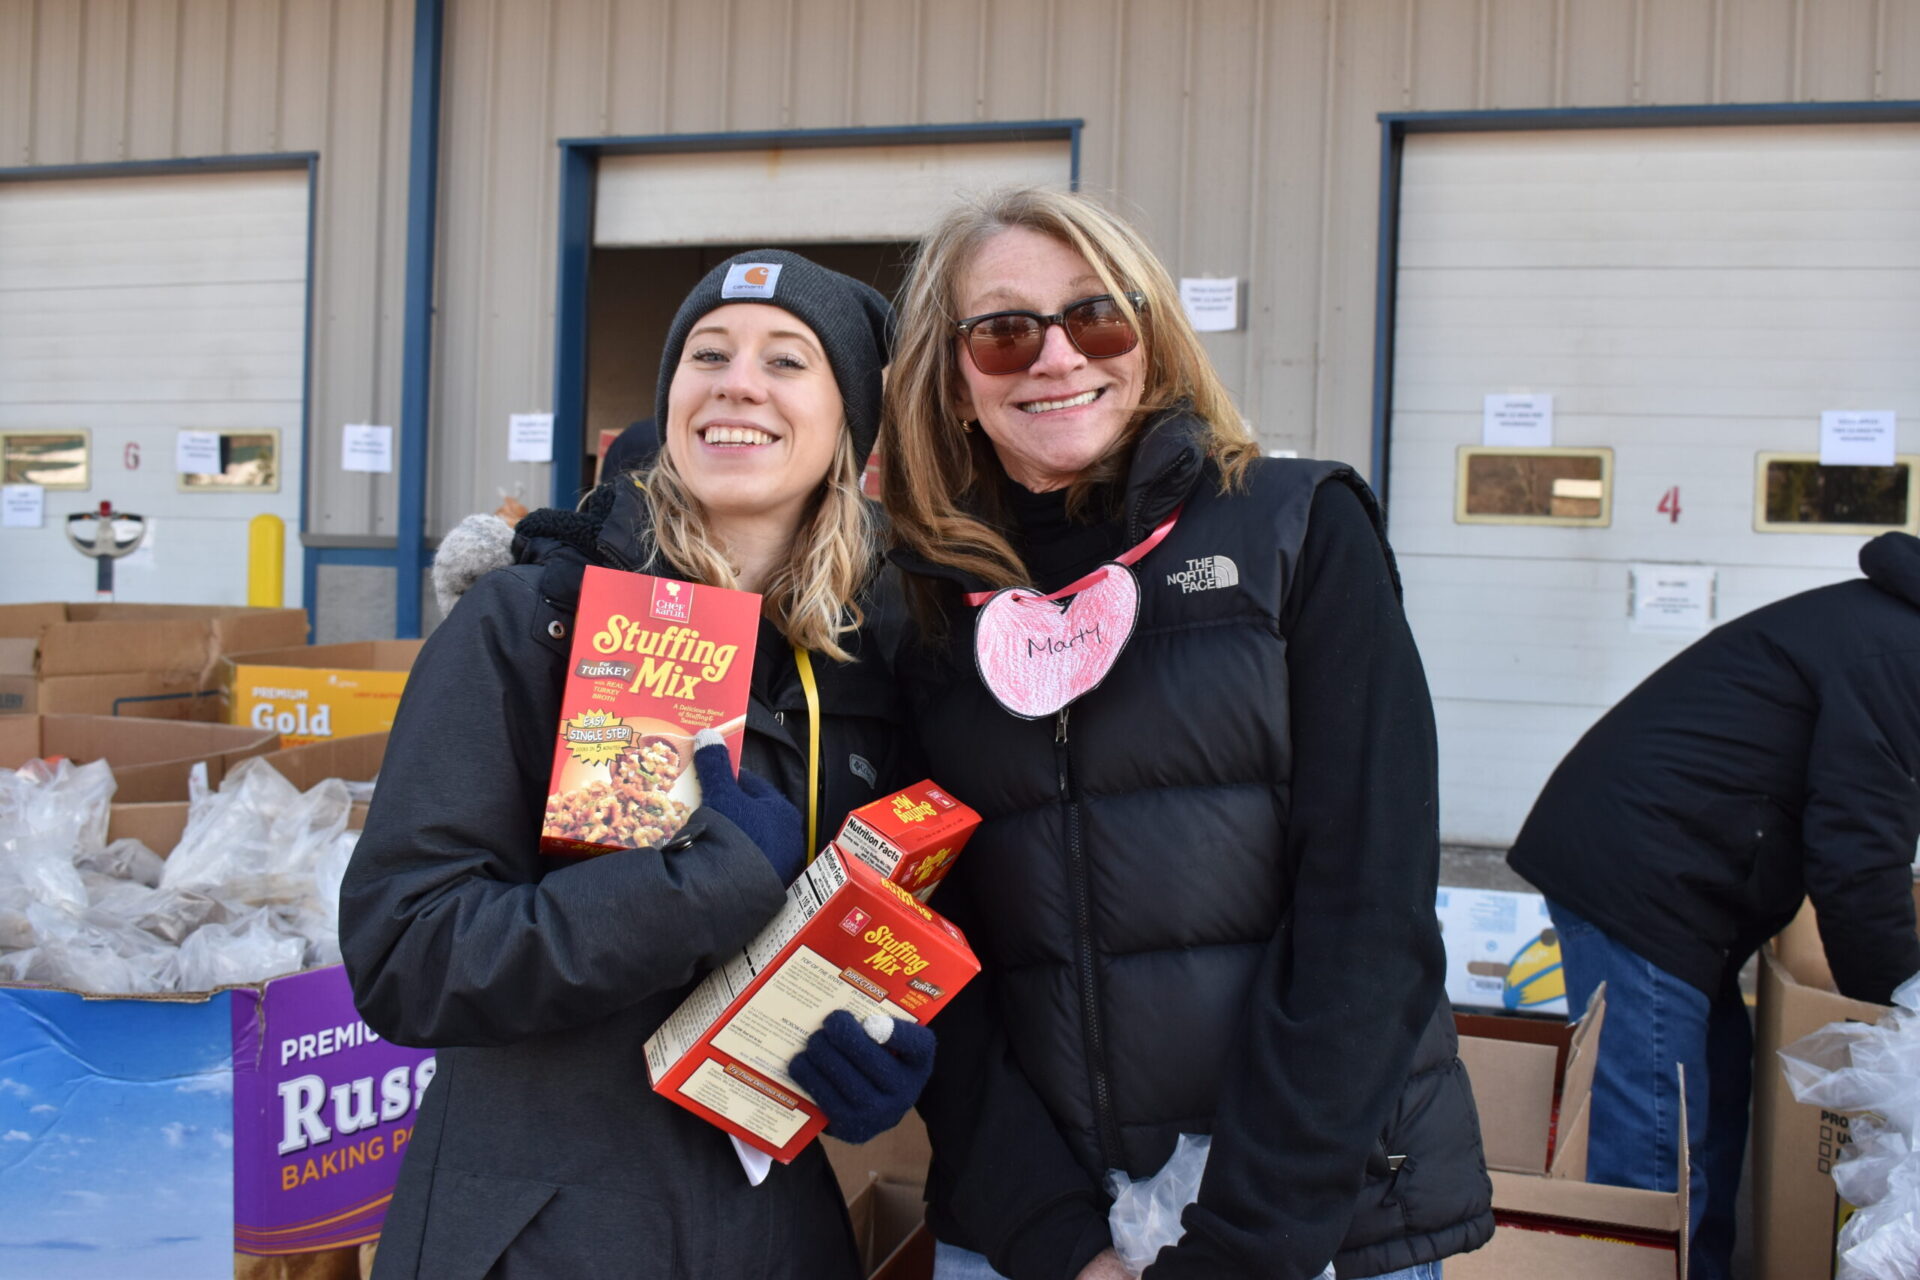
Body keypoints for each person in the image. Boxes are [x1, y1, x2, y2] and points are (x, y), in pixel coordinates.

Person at [878, 187, 1493, 1280]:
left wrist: (1240, 1253)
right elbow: (942, 961)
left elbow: (1370, 913)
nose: (1057, 357)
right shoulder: (925, 610)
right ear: (955, 379)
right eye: (1005, 329)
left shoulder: (1299, 531)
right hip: (1037, 1237)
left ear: (1152, 343)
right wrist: (1063, 1242)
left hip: (1313, 1228)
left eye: (1097, 316)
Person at [340, 249, 934, 1279]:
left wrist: (878, 1049)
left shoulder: (862, 670)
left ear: (849, 430)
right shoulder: (531, 625)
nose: (736, 379)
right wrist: (690, 886)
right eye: (708, 352)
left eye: (787, 360)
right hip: (535, 1228)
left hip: (768, 1230)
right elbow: (408, 953)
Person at [1507, 533, 1920, 1280]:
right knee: (1655, 1145)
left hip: (1680, 880)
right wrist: (1904, 1001)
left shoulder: (1892, 637)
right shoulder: (1901, 656)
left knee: (1714, 1107)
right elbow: (1858, 856)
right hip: (1644, 878)